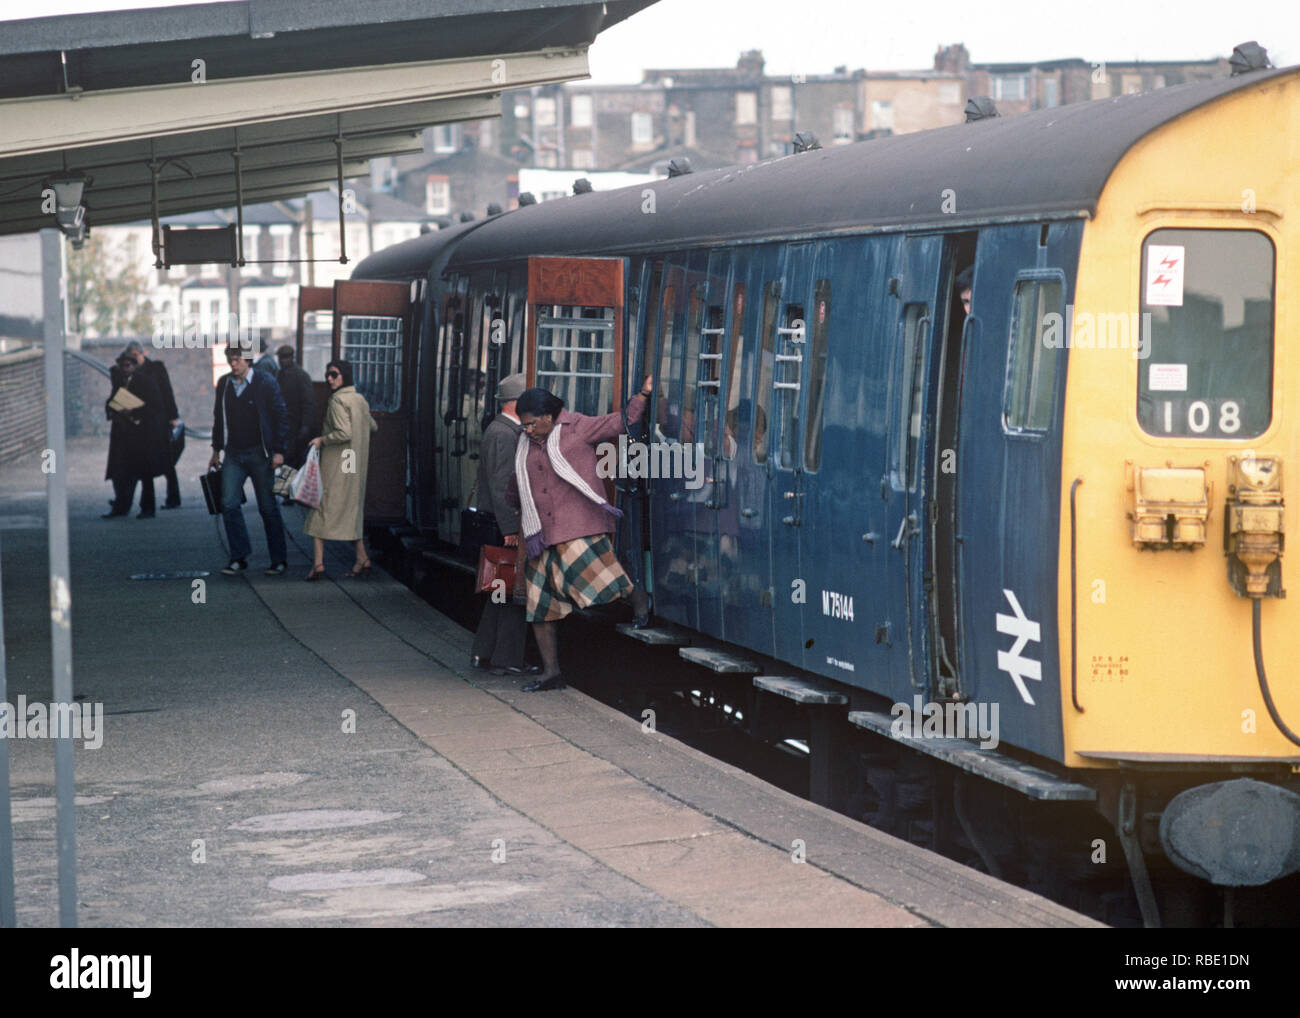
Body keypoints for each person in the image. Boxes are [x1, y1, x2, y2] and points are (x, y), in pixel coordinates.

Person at [508, 377, 653, 692]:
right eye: (524, 425)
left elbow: (623, 421)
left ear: (548, 417)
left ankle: (636, 595)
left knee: (599, 581)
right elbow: (516, 483)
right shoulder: (524, 444)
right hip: (541, 534)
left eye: (532, 424)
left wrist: (642, 394)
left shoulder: (580, 428)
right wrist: (513, 507)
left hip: (580, 525)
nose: (527, 430)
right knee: (540, 605)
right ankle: (551, 673)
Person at [469, 373, 539, 675]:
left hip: (500, 522)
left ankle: (485, 652)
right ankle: (507, 657)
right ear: (519, 403)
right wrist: (511, 528)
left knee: (501, 590)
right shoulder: (504, 434)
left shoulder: (502, 430)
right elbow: (501, 486)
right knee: (512, 591)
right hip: (504, 525)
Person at [209, 344, 290, 576]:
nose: (234, 364)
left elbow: (281, 416)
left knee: (267, 507)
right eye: (230, 360)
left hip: (260, 453)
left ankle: (278, 559)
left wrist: (279, 450)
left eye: (238, 360)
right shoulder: (224, 384)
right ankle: (239, 557)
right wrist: (216, 451)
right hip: (233, 453)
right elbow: (218, 418)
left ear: (249, 360)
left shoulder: (265, 382)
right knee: (228, 503)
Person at [303, 359, 377, 581]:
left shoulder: (337, 400)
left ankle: (318, 565)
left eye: (334, 374)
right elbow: (373, 426)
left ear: (345, 376)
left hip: (336, 464)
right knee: (349, 511)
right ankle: (362, 559)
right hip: (353, 465)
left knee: (320, 509)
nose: (329, 379)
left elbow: (344, 433)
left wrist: (321, 440)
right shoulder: (359, 400)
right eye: (328, 375)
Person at [103, 351, 169, 519]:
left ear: (134, 366)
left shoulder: (145, 381)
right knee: (121, 473)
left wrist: (135, 410)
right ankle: (121, 506)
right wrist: (113, 409)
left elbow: (156, 405)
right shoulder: (119, 381)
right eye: (122, 366)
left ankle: (147, 508)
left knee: (145, 473)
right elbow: (112, 400)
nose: (125, 369)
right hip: (123, 434)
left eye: (128, 365)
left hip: (142, 434)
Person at [125, 341, 182, 508]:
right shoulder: (132, 371)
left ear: (143, 354)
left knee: (166, 462)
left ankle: (173, 497)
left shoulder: (156, 368)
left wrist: (173, 416)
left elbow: (167, 391)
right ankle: (129, 500)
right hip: (143, 423)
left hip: (159, 421)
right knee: (147, 463)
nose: (134, 359)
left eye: (136, 355)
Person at [275, 344, 316, 470]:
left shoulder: (301, 376)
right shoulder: (279, 374)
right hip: (283, 426)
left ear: (292, 357)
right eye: (281, 358)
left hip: (296, 426)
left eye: (286, 357)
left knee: (293, 463)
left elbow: (308, 402)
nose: (283, 360)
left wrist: (305, 426)